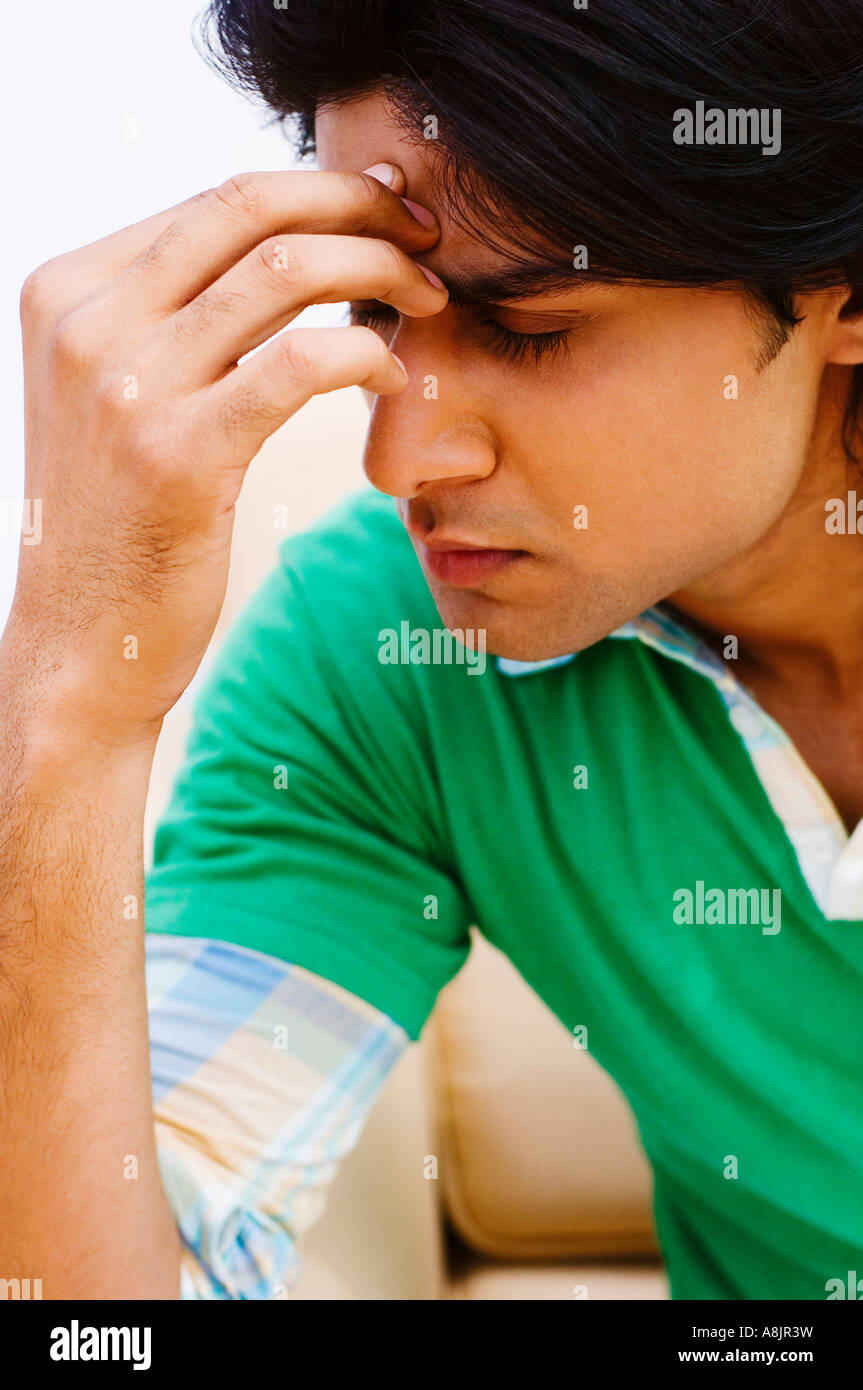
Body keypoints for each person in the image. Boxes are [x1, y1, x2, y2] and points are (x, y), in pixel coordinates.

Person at [2, 0, 863, 1300]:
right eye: (385, 318)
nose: (398, 462)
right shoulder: (384, 648)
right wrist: (65, 705)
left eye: (532, 329)